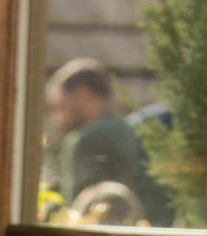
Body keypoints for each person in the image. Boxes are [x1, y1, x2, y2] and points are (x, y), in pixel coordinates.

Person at [41, 58, 168, 224]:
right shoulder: (133, 130)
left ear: (84, 95)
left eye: (60, 107)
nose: (57, 119)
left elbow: (73, 215)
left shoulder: (83, 140)